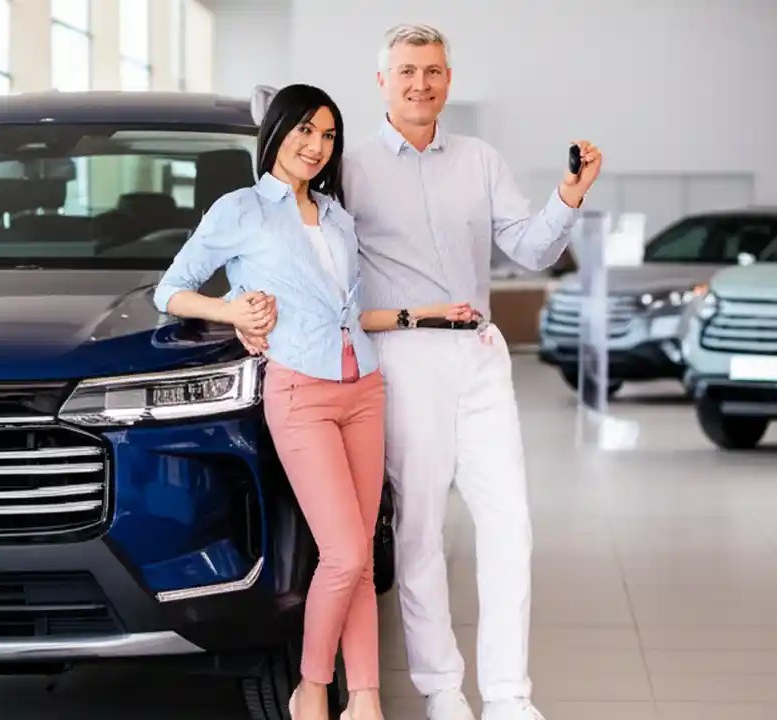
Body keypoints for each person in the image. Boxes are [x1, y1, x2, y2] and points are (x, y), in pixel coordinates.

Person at [242, 24, 603, 720]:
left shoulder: (480, 159)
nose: (420, 83)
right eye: (406, 70)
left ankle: (508, 695)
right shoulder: (348, 168)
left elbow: (530, 251)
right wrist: (250, 309)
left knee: (510, 523)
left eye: (432, 70)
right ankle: (442, 689)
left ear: (448, 80)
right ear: (382, 82)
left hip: (481, 355)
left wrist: (567, 195)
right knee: (421, 529)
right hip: (403, 356)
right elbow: (296, 244)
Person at [153, 83, 468, 720]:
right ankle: (313, 687)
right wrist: (233, 310)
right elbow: (172, 290)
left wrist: (423, 313)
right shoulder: (241, 210)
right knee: (344, 553)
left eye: (327, 135)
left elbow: (347, 312)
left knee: (358, 556)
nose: (316, 146)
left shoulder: (335, 216)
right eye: (304, 130)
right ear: (275, 132)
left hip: (364, 387)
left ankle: (367, 700)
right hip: (300, 394)